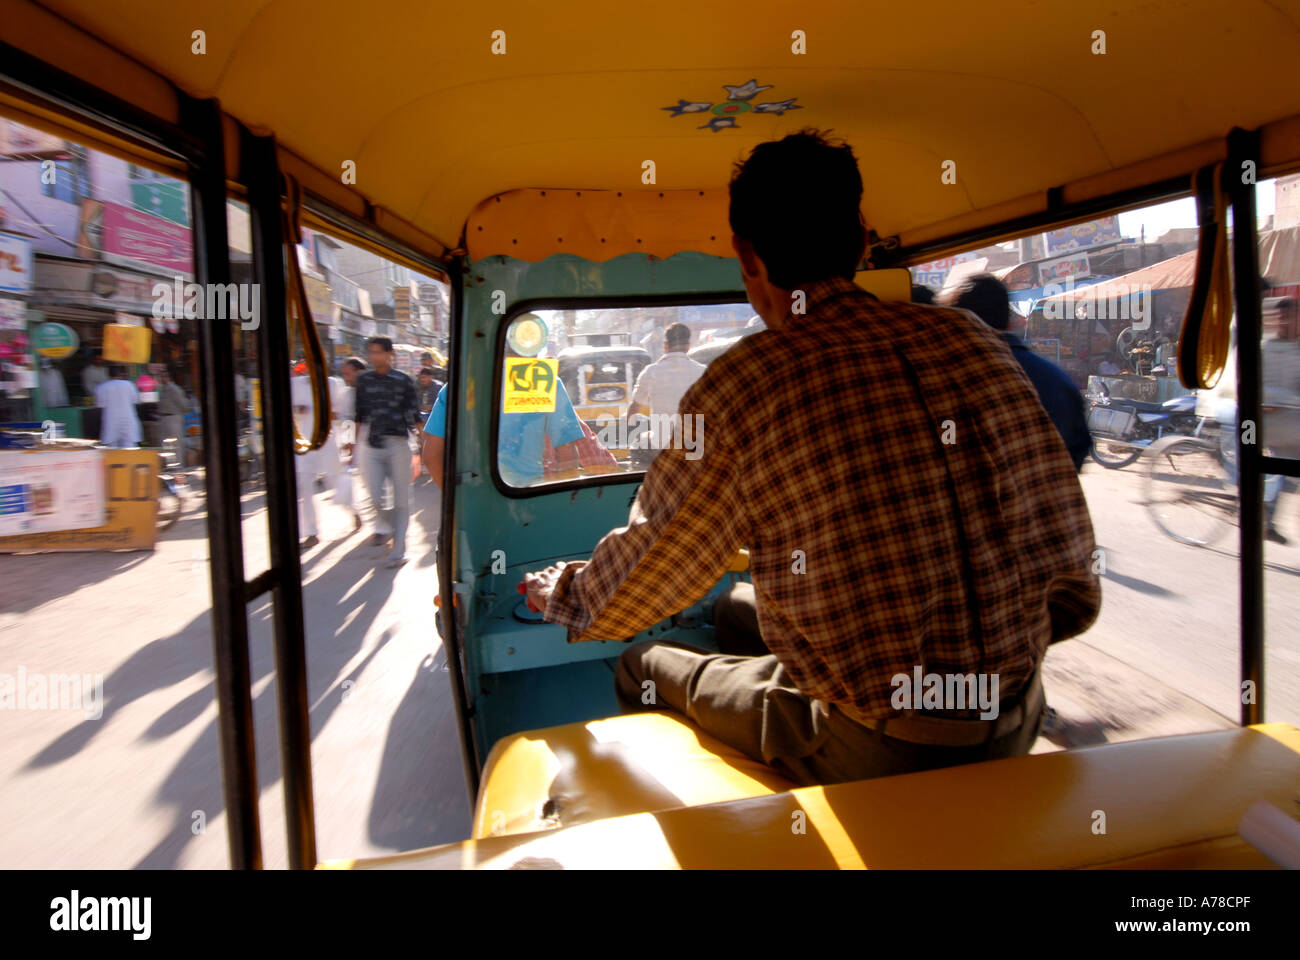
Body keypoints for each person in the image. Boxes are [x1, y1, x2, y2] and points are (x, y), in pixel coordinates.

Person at [523, 130, 1099, 787]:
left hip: (889, 747)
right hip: (1020, 711)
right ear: (859, 238)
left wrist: (562, 592)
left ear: (747, 257)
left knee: (645, 663)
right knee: (732, 609)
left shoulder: (747, 382)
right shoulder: (972, 341)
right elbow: (1072, 580)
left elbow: (646, 579)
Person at [942, 273, 1091, 471]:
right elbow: (1077, 448)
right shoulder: (1056, 379)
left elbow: (948, 444)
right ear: (1008, 319)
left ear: (960, 323)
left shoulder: (953, 380)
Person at [355, 337, 419, 567]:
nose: (374, 357)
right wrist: (355, 448)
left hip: (398, 444)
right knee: (374, 497)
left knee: (401, 500)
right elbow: (359, 416)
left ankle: (399, 551)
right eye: (371, 352)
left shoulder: (404, 381)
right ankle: (392, 527)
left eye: (379, 352)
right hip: (372, 444)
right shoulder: (363, 381)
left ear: (389, 354)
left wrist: (422, 450)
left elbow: (415, 416)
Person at [94, 365, 142, 448]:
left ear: (108, 375)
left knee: (112, 449)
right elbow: (135, 400)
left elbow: (100, 405)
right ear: (120, 374)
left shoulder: (102, 387)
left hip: (111, 421)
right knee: (129, 447)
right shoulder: (129, 385)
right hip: (127, 419)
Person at [155, 368, 188, 446]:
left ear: (167, 377)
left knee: (176, 444)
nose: (160, 379)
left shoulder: (174, 389)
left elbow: (183, 405)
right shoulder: (162, 389)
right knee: (165, 445)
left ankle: (178, 459)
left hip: (173, 418)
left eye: (162, 377)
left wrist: (180, 415)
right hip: (164, 419)